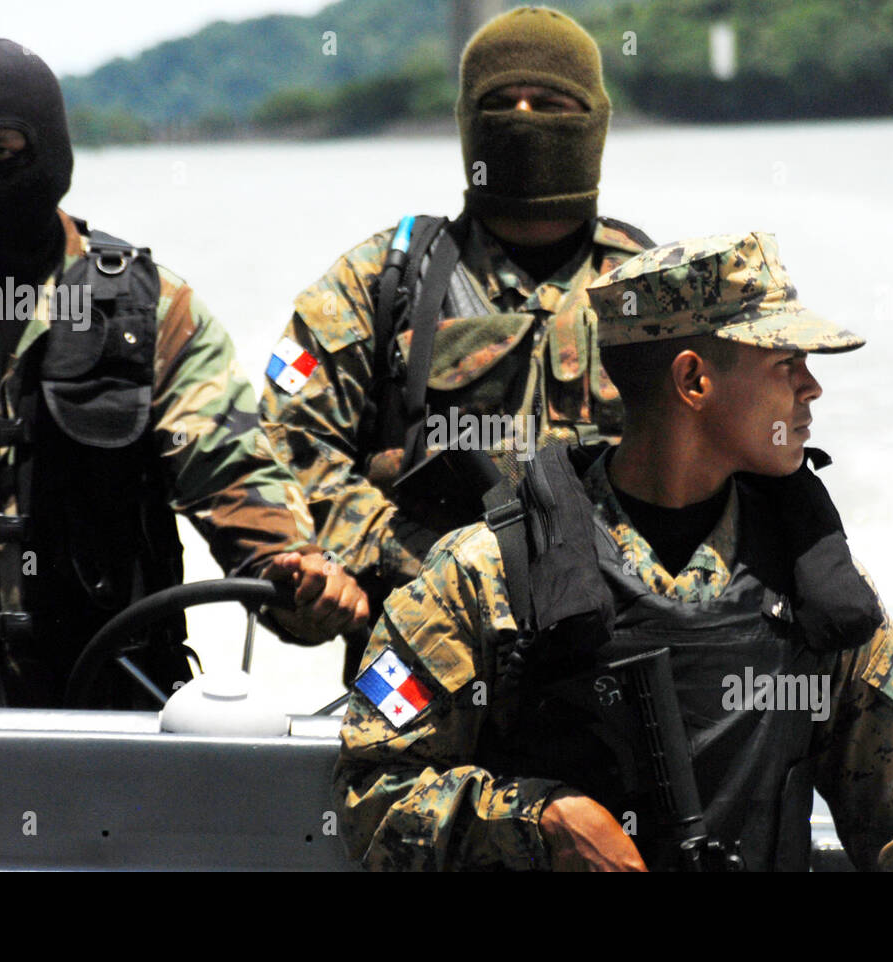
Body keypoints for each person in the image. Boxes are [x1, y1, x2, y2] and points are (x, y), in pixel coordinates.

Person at [333, 231, 893, 871]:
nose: (811, 388)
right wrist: (543, 825)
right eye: (786, 363)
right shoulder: (486, 573)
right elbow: (372, 793)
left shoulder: (815, 591)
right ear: (694, 381)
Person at [0, 39, 368, 708]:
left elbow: (233, 473)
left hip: (111, 723)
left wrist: (298, 575)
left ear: (50, 157)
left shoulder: (151, 309)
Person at [258, 7, 655, 679]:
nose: (523, 117)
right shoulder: (382, 280)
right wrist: (399, 553)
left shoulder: (655, 286)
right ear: (469, 121)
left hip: (625, 658)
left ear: (591, 120)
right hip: (429, 663)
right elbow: (280, 442)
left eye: (550, 102)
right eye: (500, 103)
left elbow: (730, 451)